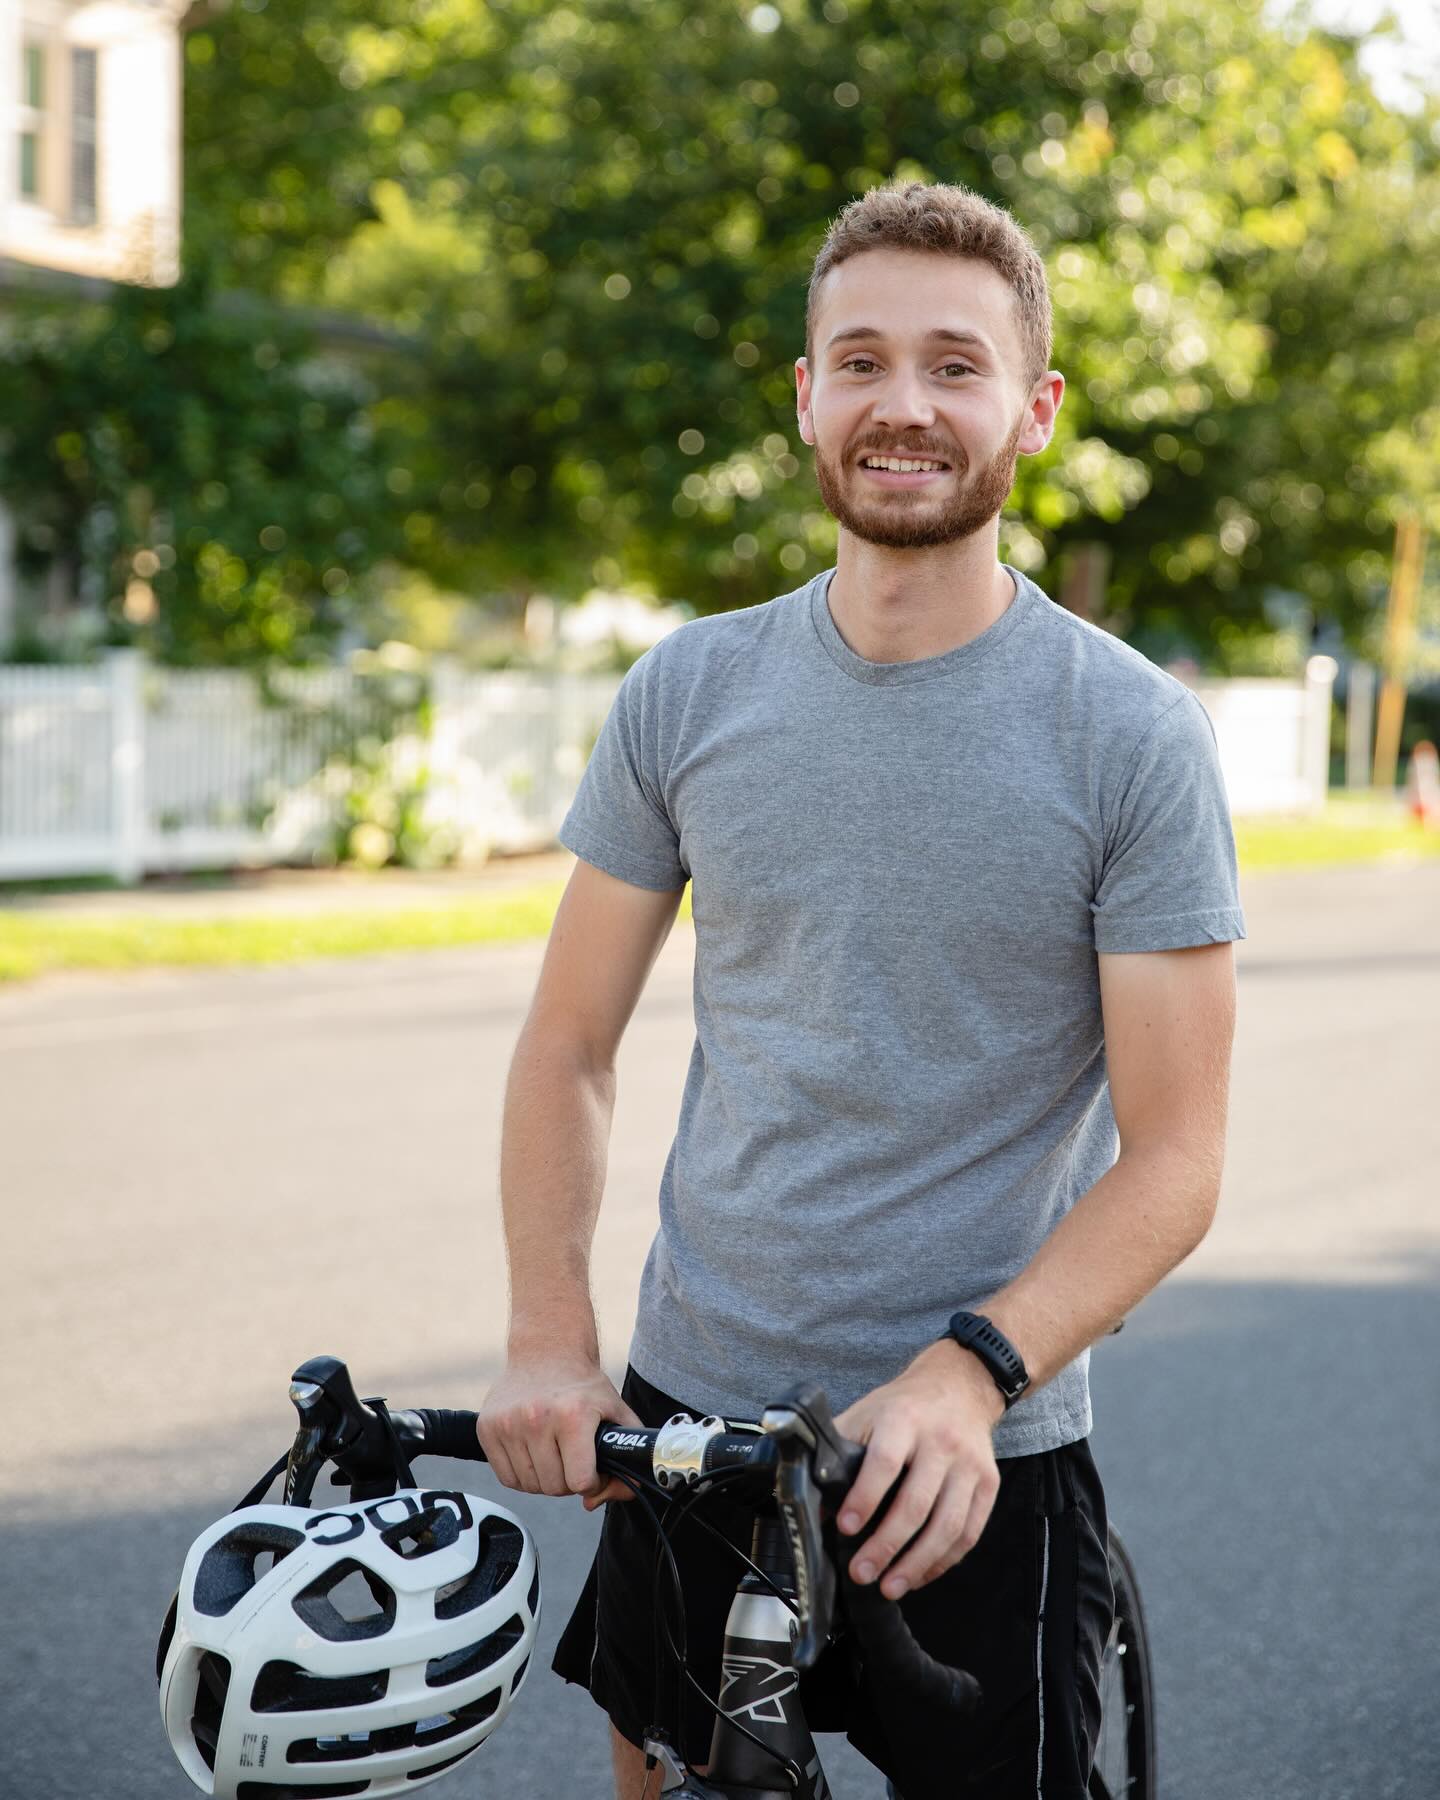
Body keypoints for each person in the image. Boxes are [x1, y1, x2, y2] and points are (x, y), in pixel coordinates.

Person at [477, 180, 1245, 1798]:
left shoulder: (1130, 736)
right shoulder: (688, 691)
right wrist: (553, 1336)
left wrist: (968, 1378)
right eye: (864, 360)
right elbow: (567, 1048)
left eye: (956, 366)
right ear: (807, 395)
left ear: (1031, 412)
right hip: (688, 1426)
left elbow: (1176, 1161)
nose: (906, 404)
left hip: (971, 1453)